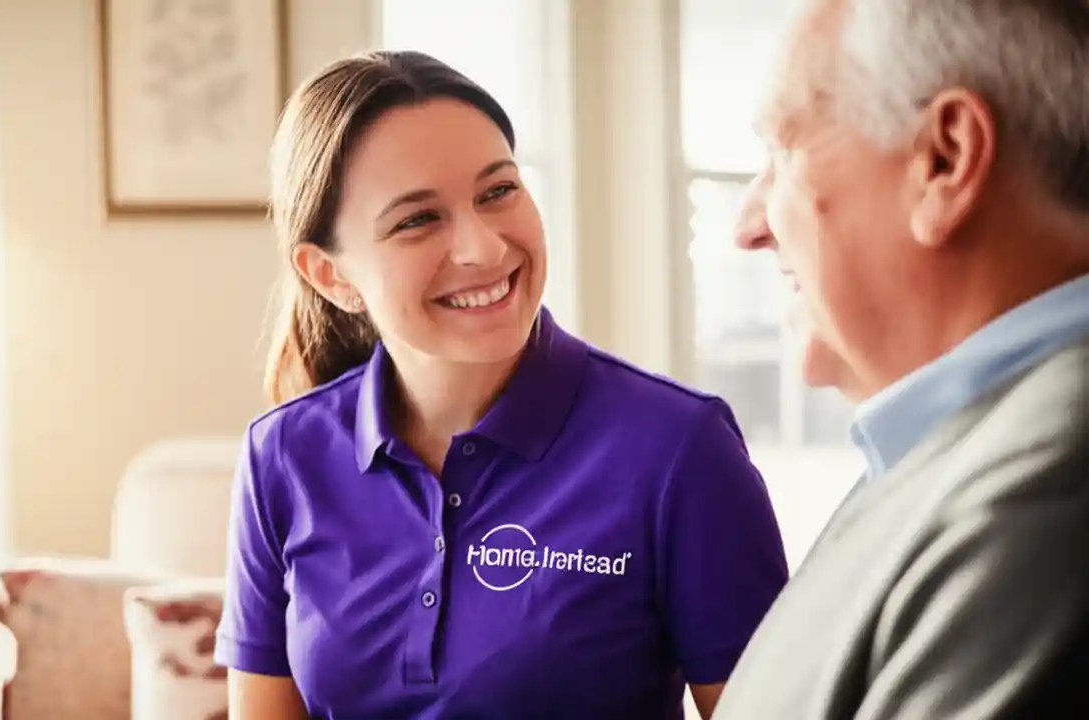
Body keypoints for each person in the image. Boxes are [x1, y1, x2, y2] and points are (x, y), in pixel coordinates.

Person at [212, 50, 788, 720]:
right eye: (417, 220)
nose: (484, 248)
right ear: (331, 276)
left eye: (498, 191)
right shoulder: (282, 455)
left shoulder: (679, 450)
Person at [715, 0, 1089, 717]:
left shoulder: (1039, 495)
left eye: (784, 151)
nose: (749, 226)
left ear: (945, 160)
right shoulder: (966, 451)